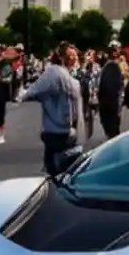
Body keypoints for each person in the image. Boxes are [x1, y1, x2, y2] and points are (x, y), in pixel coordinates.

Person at [22, 43, 82, 176]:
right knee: (62, 170)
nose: (74, 58)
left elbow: (32, 92)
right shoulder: (57, 74)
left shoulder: (60, 73)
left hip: (59, 130)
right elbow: (34, 91)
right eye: (71, 55)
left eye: (75, 55)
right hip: (62, 131)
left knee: (57, 171)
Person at [96, 51, 124, 138]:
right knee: (114, 126)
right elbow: (120, 85)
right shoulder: (116, 68)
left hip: (105, 102)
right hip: (114, 101)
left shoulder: (105, 69)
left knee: (108, 126)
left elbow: (100, 87)